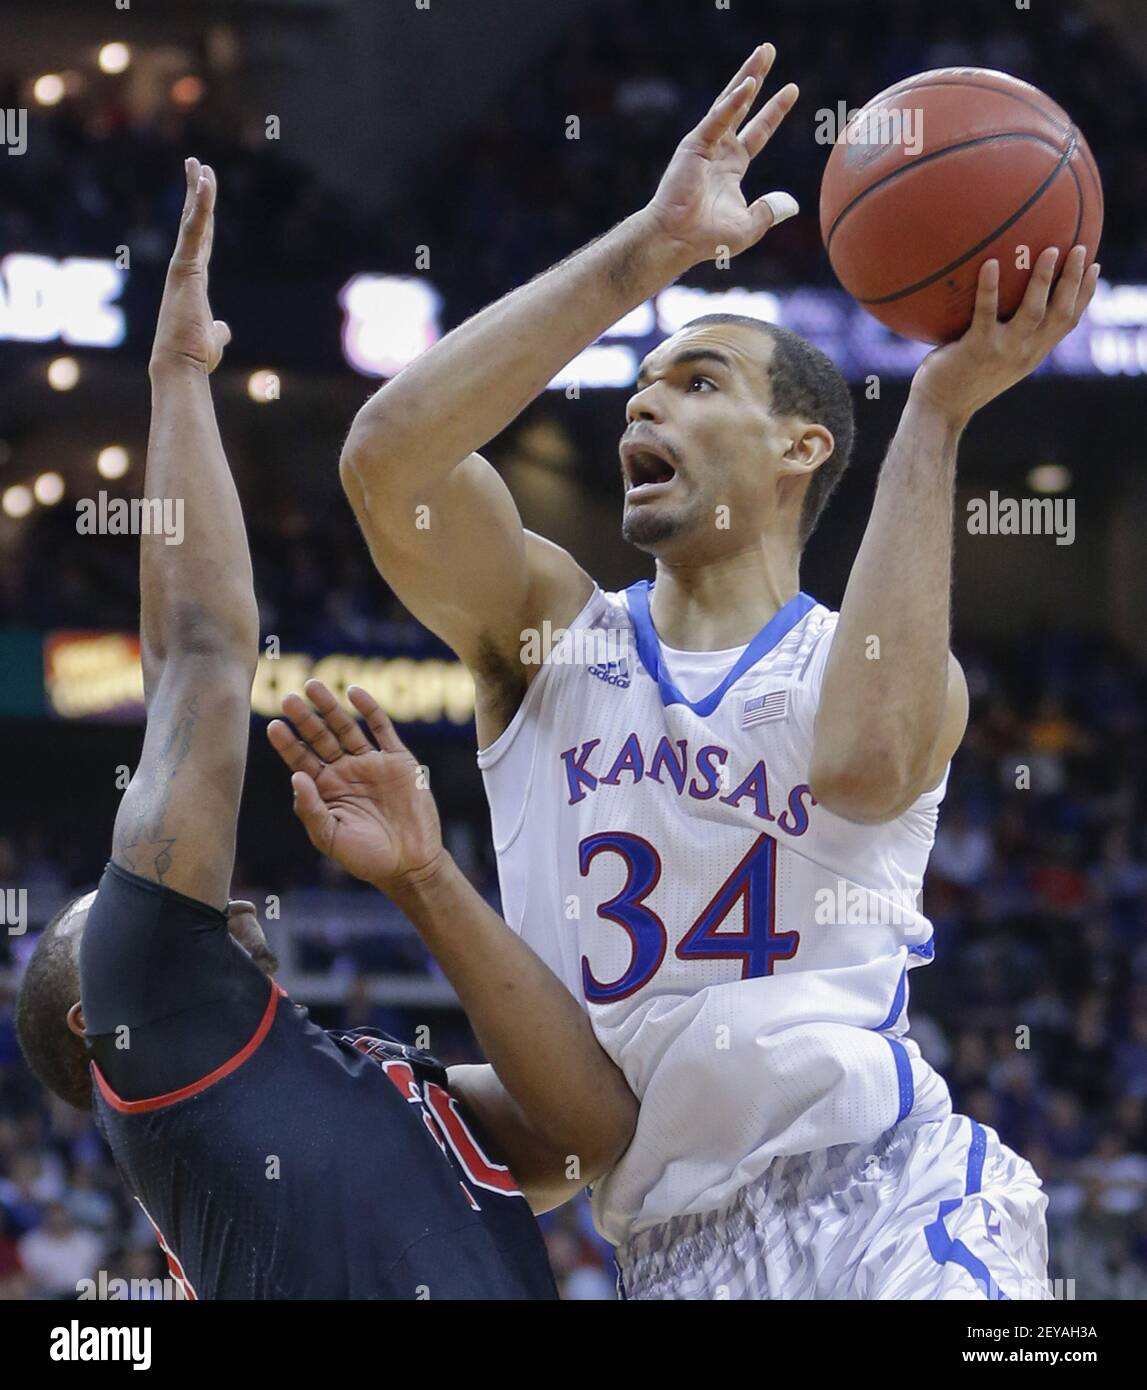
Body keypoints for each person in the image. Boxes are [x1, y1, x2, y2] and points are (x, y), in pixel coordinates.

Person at [337, 42, 1100, 1298]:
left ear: (802, 443)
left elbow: (857, 766)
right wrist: (646, 255)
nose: (644, 409)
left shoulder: (869, 663)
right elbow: (389, 464)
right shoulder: (546, 641)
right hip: (671, 1249)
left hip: (893, 1191)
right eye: (637, 389)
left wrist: (938, 409)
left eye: (697, 383)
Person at [14, 159, 636, 1300]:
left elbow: (595, 1132)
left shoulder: (387, 1079)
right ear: (102, 1017)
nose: (219, 895)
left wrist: (424, 879)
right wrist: (180, 376)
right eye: (135, 922)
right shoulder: (157, 1024)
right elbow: (201, 653)